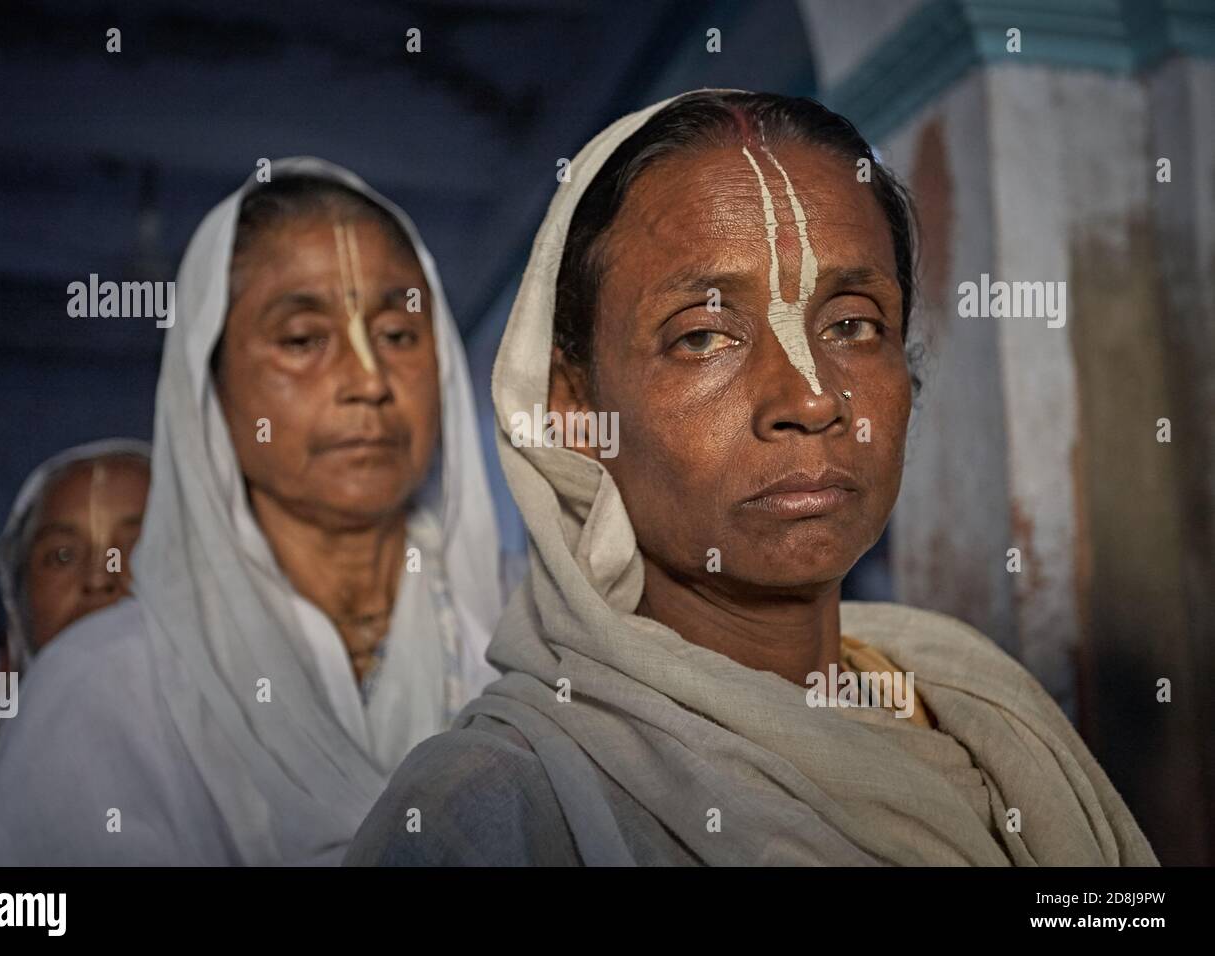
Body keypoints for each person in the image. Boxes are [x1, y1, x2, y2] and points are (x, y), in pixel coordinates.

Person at [345, 91, 1158, 866]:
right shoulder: (495, 806)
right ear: (573, 412)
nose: (809, 396)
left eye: (851, 324)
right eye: (702, 336)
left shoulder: (977, 696)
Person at [0, 159, 504, 865]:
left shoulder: (531, 638)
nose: (368, 382)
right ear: (209, 390)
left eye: (399, 336)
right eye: (304, 339)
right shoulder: (105, 686)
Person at [0, 440, 151, 865]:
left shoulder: (272, 792)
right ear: (19, 616)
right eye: (62, 555)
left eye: (139, 548)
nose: (100, 577)